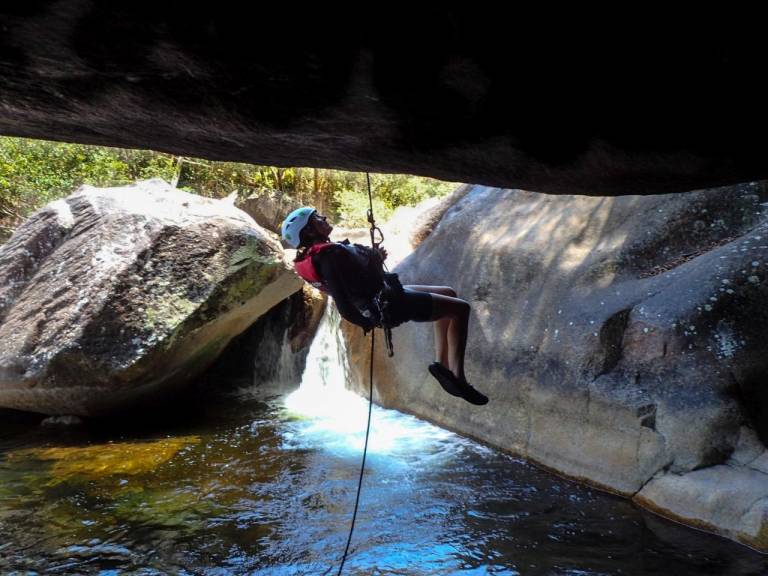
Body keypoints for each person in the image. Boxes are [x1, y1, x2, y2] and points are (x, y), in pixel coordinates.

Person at [281, 206, 488, 405]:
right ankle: (459, 378)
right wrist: (368, 322)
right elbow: (345, 302)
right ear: (308, 231)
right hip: (391, 304)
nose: (324, 218)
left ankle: (442, 365)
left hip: (387, 295)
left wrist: (375, 260)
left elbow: (357, 282)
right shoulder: (329, 257)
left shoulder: (313, 257)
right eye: (317, 218)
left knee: (449, 294)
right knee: (461, 309)